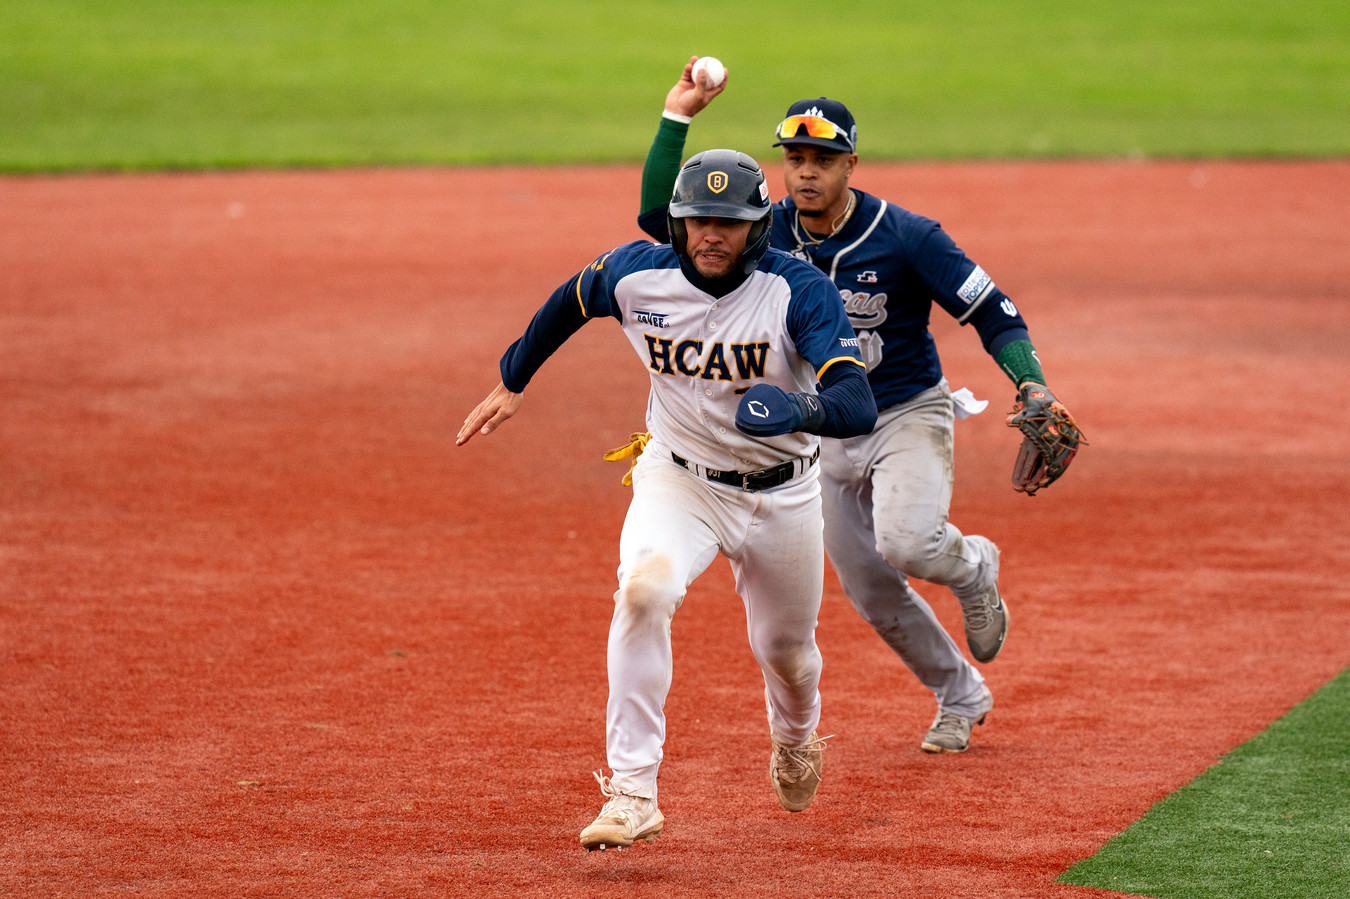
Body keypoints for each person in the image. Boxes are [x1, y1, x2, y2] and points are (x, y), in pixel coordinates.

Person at [638, 58, 1080, 754]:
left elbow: (991, 309)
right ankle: (959, 694)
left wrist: (1033, 383)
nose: (806, 172)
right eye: (794, 158)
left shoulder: (906, 236)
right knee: (872, 588)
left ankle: (973, 567)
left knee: (906, 541)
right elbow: (658, 220)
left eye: (823, 159)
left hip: (906, 410)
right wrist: (677, 118)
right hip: (822, 429)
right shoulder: (764, 231)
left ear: (851, 164)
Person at [457, 148, 877, 850]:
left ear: (758, 227)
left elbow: (856, 399)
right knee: (644, 590)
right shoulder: (636, 272)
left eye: (729, 222)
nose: (711, 234)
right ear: (676, 225)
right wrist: (512, 379)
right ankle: (632, 790)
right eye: (696, 221)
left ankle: (797, 737)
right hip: (678, 478)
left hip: (784, 495)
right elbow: (570, 299)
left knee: (789, 654)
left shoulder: (797, 290)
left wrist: (799, 408)